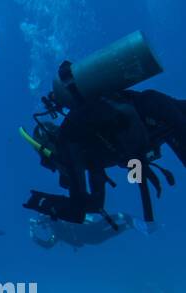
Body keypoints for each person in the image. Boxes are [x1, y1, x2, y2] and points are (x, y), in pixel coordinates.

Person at [23, 31, 186, 224]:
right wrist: (54, 203)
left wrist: (45, 204)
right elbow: (95, 204)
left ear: (48, 147)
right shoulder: (87, 154)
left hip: (156, 114)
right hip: (158, 113)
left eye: (47, 163)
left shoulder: (69, 140)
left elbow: (77, 211)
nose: (55, 170)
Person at [28, 210, 153, 249]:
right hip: (89, 235)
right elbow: (48, 245)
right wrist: (34, 235)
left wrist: (33, 235)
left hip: (88, 234)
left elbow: (48, 244)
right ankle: (126, 222)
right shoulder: (57, 231)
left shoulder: (57, 226)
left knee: (104, 229)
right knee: (105, 229)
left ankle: (125, 220)